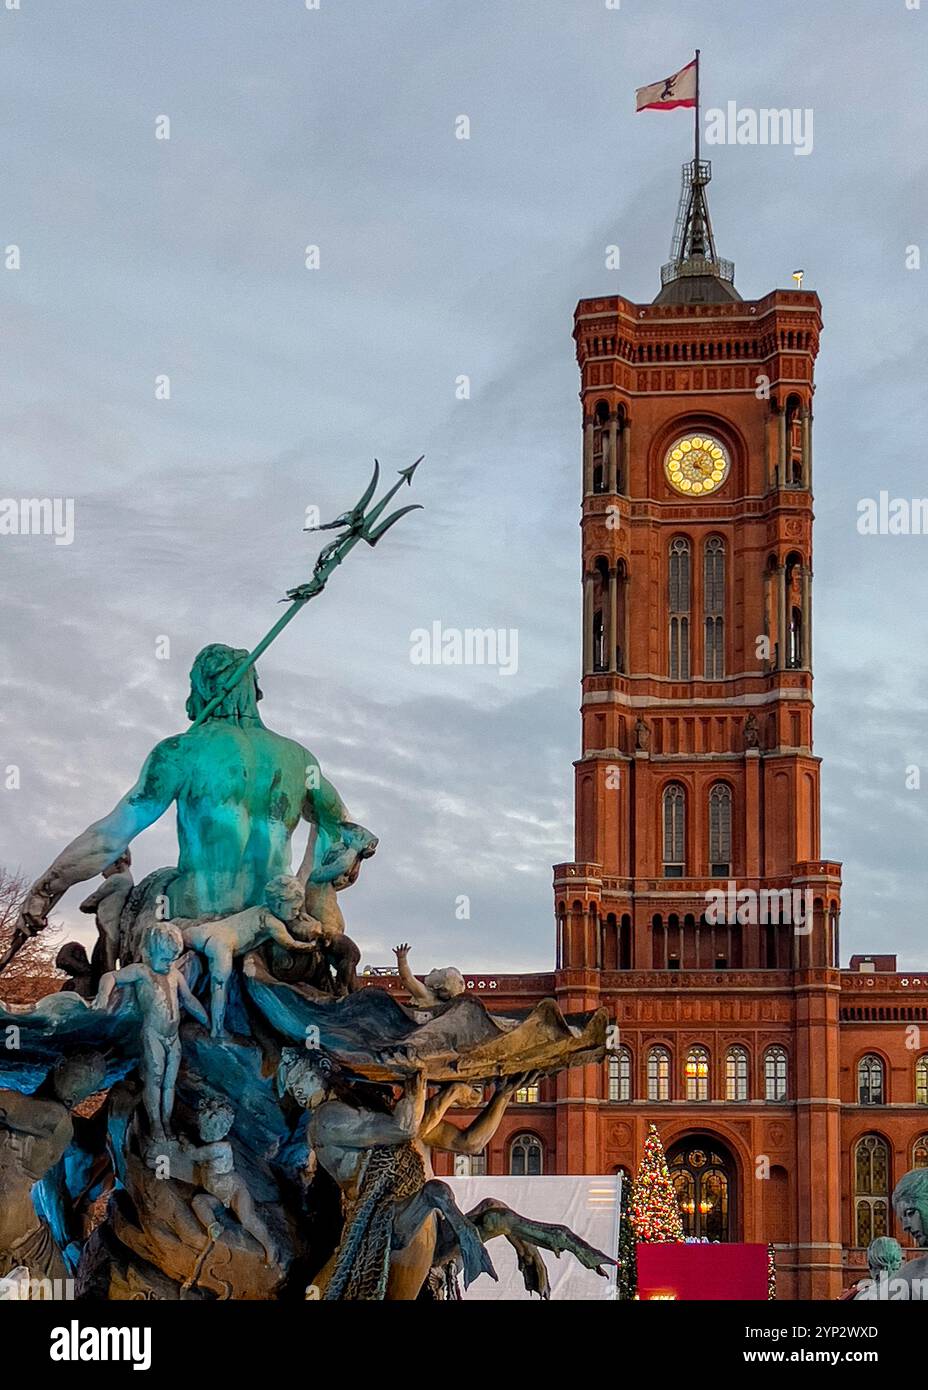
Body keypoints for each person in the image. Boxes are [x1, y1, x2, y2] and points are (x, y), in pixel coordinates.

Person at [6, 644, 373, 959]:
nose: (189, 704)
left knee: (144, 892)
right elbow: (344, 832)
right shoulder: (300, 760)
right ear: (254, 689)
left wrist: (44, 890)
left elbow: (107, 840)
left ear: (207, 687)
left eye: (192, 687)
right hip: (272, 917)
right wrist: (305, 887)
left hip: (193, 920)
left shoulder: (180, 751)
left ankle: (101, 974)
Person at [94, 922, 208, 1143]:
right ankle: (155, 1123)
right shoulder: (142, 971)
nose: (169, 964)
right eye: (164, 959)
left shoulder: (175, 974)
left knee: (169, 1082)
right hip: (152, 1034)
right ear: (149, 952)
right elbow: (111, 977)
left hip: (172, 1037)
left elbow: (189, 999)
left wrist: (209, 1022)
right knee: (155, 1080)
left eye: (173, 959)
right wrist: (103, 995)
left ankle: (166, 1120)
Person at [181, 875, 317, 1038]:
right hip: (222, 945)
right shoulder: (272, 922)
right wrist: (311, 946)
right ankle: (217, 1029)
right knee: (219, 986)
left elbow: (289, 916)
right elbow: (290, 944)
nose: (297, 913)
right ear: (279, 904)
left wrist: (299, 914)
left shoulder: (260, 909)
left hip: (205, 931)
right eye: (294, 909)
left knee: (179, 939)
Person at [79, 851, 133, 981]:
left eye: (104, 867)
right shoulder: (128, 880)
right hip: (109, 926)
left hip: (108, 926)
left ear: (116, 863)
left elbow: (91, 900)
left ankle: (106, 985)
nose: (102, 873)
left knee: (104, 960)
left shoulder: (117, 879)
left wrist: (87, 906)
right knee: (101, 959)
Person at [392, 942, 464, 1010]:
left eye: (439, 971)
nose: (435, 969)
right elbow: (407, 979)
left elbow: (407, 979)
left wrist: (402, 959)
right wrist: (402, 960)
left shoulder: (427, 996)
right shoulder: (455, 1007)